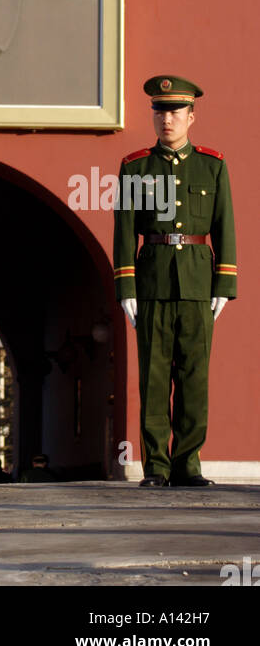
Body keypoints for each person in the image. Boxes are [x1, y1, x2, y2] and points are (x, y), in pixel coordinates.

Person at [113, 76, 237, 487]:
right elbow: (125, 231)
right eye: (159, 111)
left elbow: (224, 228)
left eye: (175, 112)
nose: (166, 120)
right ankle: (157, 468)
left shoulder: (213, 165)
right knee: (153, 377)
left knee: (193, 377)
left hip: (199, 284)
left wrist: (224, 284)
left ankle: (188, 464)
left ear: (191, 117)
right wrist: (127, 288)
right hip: (152, 282)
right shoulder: (135, 167)